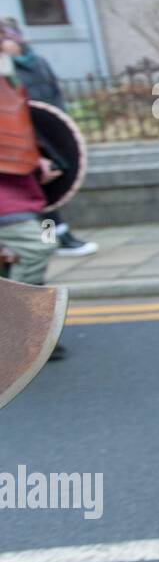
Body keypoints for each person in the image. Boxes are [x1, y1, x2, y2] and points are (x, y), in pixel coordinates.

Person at [0, 21, 96, 257]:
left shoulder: (37, 64)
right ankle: (51, 240)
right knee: (36, 200)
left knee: (46, 195)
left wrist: (60, 126)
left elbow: (53, 95)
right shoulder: (7, 71)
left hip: (45, 137)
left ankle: (58, 238)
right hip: (25, 140)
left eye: (8, 39)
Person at [0, 54, 65, 358]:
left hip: (19, 183)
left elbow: (20, 126)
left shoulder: (10, 81)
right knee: (37, 246)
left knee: (14, 260)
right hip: (6, 196)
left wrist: (37, 155)